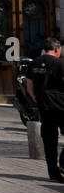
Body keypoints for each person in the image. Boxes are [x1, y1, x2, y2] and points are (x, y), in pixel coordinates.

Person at [27, 37, 64, 181]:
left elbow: (29, 85)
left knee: (49, 140)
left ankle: (53, 173)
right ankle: (63, 163)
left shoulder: (34, 63)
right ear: (56, 49)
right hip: (60, 104)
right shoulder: (60, 63)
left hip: (44, 105)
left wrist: (36, 99)